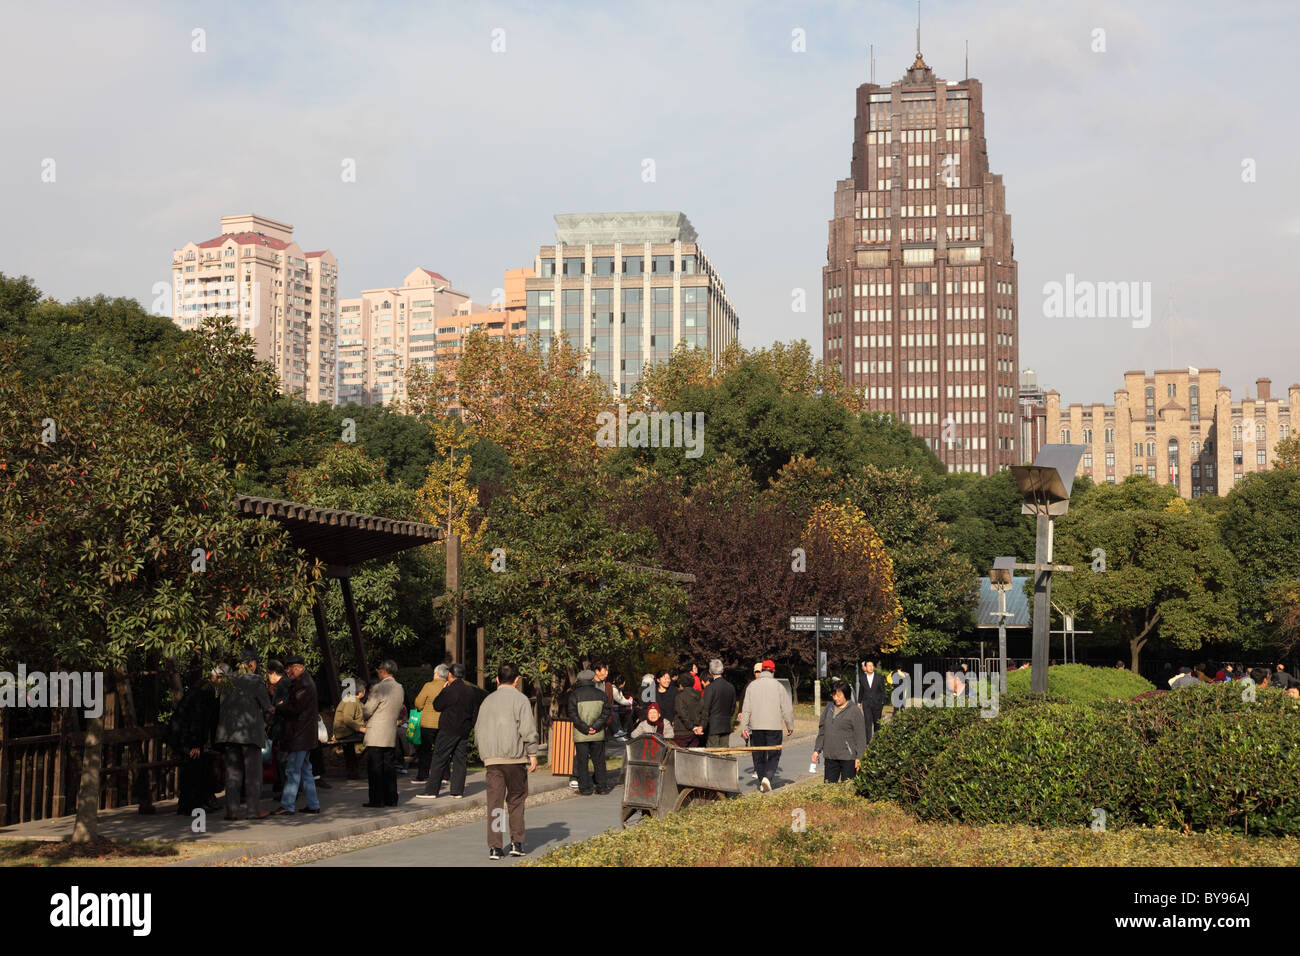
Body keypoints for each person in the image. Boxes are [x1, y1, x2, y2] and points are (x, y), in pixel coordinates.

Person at [475, 662, 538, 860]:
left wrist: (484, 753)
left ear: (497, 679)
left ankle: (495, 847)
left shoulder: (487, 701)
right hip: (515, 758)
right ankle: (516, 843)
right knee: (516, 800)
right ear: (517, 680)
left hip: (492, 759)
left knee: (495, 803)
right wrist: (533, 753)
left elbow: (478, 731)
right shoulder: (521, 700)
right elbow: (527, 729)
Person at [215, 652, 273, 821]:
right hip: (250, 734)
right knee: (253, 774)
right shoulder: (255, 680)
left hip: (229, 734)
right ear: (252, 663)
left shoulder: (226, 680)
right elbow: (266, 705)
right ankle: (253, 810)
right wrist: (269, 714)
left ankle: (231, 811)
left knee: (232, 773)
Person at [418, 663, 477, 799]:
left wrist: (443, 690)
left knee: (439, 757)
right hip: (463, 729)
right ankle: (457, 791)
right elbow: (474, 710)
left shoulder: (450, 690)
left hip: (449, 728)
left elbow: (437, 705)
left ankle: (431, 790)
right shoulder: (469, 690)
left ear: (450, 674)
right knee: (460, 760)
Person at [271, 656, 322, 815]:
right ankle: (313, 804)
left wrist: (279, 707)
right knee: (306, 770)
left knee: (293, 770)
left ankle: (287, 805)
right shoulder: (303, 682)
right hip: (304, 734)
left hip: (300, 734)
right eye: (287, 668)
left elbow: (294, 708)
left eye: (290, 667)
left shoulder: (304, 684)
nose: (287, 671)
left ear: (300, 667)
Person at [739, 660, 793, 793]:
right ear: (773, 671)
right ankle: (767, 778)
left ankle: (762, 779)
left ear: (762, 670)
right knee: (774, 753)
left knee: (758, 754)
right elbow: (787, 709)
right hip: (773, 726)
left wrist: (744, 727)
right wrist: (789, 725)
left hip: (756, 727)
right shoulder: (778, 686)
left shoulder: (752, 686)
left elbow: (746, 708)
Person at [172, 669, 220, 815]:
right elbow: (197, 717)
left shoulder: (201, 687)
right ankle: (191, 805)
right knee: (193, 770)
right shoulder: (206, 691)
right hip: (188, 737)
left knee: (191, 770)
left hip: (182, 734)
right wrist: (196, 743)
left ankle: (187, 805)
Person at [362, 660, 404, 808]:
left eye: (379, 670)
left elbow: (367, 710)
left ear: (384, 671)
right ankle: (391, 798)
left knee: (375, 768)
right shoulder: (399, 687)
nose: (378, 672)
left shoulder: (379, 688)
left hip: (376, 731)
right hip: (390, 730)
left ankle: (376, 799)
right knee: (389, 767)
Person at [567, 669, 613, 795]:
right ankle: (602, 787)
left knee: (582, 761)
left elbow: (573, 714)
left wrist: (585, 728)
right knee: (599, 761)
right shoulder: (601, 694)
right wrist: (596, 726)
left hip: (581, 734)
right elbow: (606, 712)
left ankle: (585, 788)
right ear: (592, 679)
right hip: (598, 734)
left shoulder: (574, 695)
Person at [812, 678, 867, 783]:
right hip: (830, 756)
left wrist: (860, 757)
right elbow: (822, 729)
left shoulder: (854, 711)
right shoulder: (829, 707)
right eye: (834, 695)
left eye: (839, 695)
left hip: (848, 757)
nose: (835, 698)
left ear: (846, 695)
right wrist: (817, 749)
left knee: (847, 789)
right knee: (829, 788)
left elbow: (860, 736)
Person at [412, 664, 448, 782]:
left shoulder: (428, 686)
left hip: (427, 723)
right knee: (443, 750)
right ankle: (445, 775)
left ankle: (423, 775)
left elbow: (418, 703)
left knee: (425, 751)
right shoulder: (448, 685)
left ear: (436, 674)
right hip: (443, 722)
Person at [700, 659, 736, 748]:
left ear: (710, 671)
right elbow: (733, 707)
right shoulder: (730, 687)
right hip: (726, 723)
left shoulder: (710, 688)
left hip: (713, 725)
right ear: (722, 670)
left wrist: (702, 725)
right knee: (724, 753)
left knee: (713, 753)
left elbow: (706, 708)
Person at [671, 671, 705, 748]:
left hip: (682, 732)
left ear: (680, 684)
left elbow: (682, 714)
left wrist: (692, 727)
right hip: (696, 733)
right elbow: (704, 713)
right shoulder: (699, 696)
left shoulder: (680, 697)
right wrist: (700, 726)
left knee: (680, 756)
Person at [857, 659, 886, 741]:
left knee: (877, 723)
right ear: (865, 667)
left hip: (877, 704)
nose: (871, 667)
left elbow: (883, 691)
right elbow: (861, 690)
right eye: (869, 666)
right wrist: (859, 702)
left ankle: (877, 741)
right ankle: (868, 741)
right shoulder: (862, 679)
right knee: (867, 723)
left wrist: (882, 702)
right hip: (866, 704)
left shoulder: (879, 678)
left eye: (872, 666)